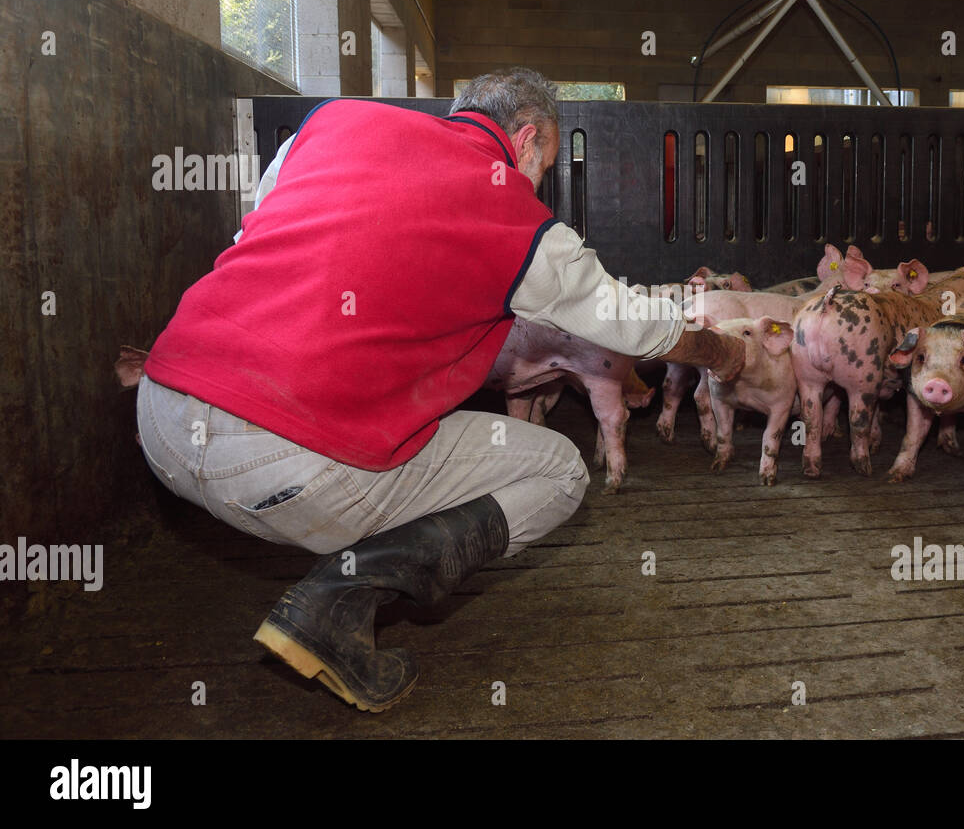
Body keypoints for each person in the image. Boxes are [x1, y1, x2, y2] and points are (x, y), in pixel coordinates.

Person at [135, 67, 744, 711]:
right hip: (286, 463)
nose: (540, 184)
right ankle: (335, 601)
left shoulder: (331, 120)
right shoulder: (521, 223)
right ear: (527, 139)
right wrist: (722, 351)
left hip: (162, 414)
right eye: (546, 166)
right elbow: (635, 325)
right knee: (561, 473)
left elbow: (253, 229)